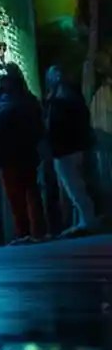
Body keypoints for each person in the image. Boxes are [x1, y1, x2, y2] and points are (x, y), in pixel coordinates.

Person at [0, 66, 47, 244]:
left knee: (17, 196)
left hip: (10, 156)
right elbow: (38, 128)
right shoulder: (30, 101)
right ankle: (37, 231)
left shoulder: (5, 106)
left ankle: (24, 233)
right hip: (27, 153)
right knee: (31, 192)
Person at [44, 65, 99, 237]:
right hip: (71, 148)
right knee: (76, 187)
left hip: (66, 150)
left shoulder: (60, 101)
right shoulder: (72, 97)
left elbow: (57, 127)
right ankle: (83, 221)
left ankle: (87, 221)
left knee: (74, 187)